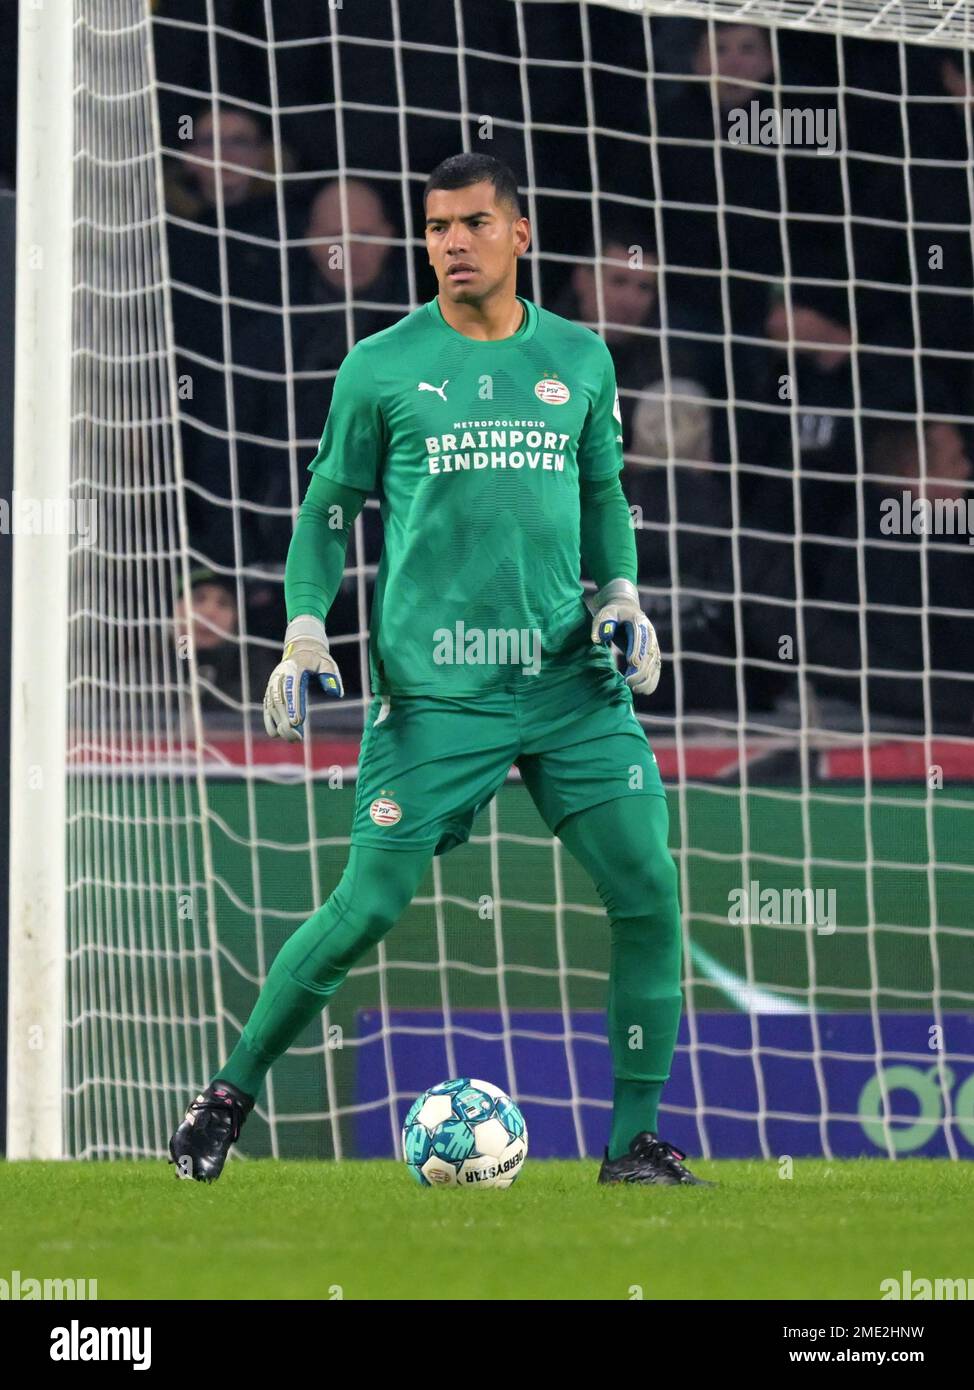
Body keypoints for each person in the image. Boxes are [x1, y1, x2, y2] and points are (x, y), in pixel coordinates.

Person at [169, 152, 714, 1188]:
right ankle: (226, 1096)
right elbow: (326, 513)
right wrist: (298, 628)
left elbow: (602, 495)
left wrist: (622, 597)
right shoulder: (380, 365)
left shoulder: (581, 358)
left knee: (648, 889)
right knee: (366, 907)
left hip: (566, 685)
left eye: (470, 222)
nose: (450, 242)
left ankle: (628, 1147)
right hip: (435, 693)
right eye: (433, 227)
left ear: (519, 234)